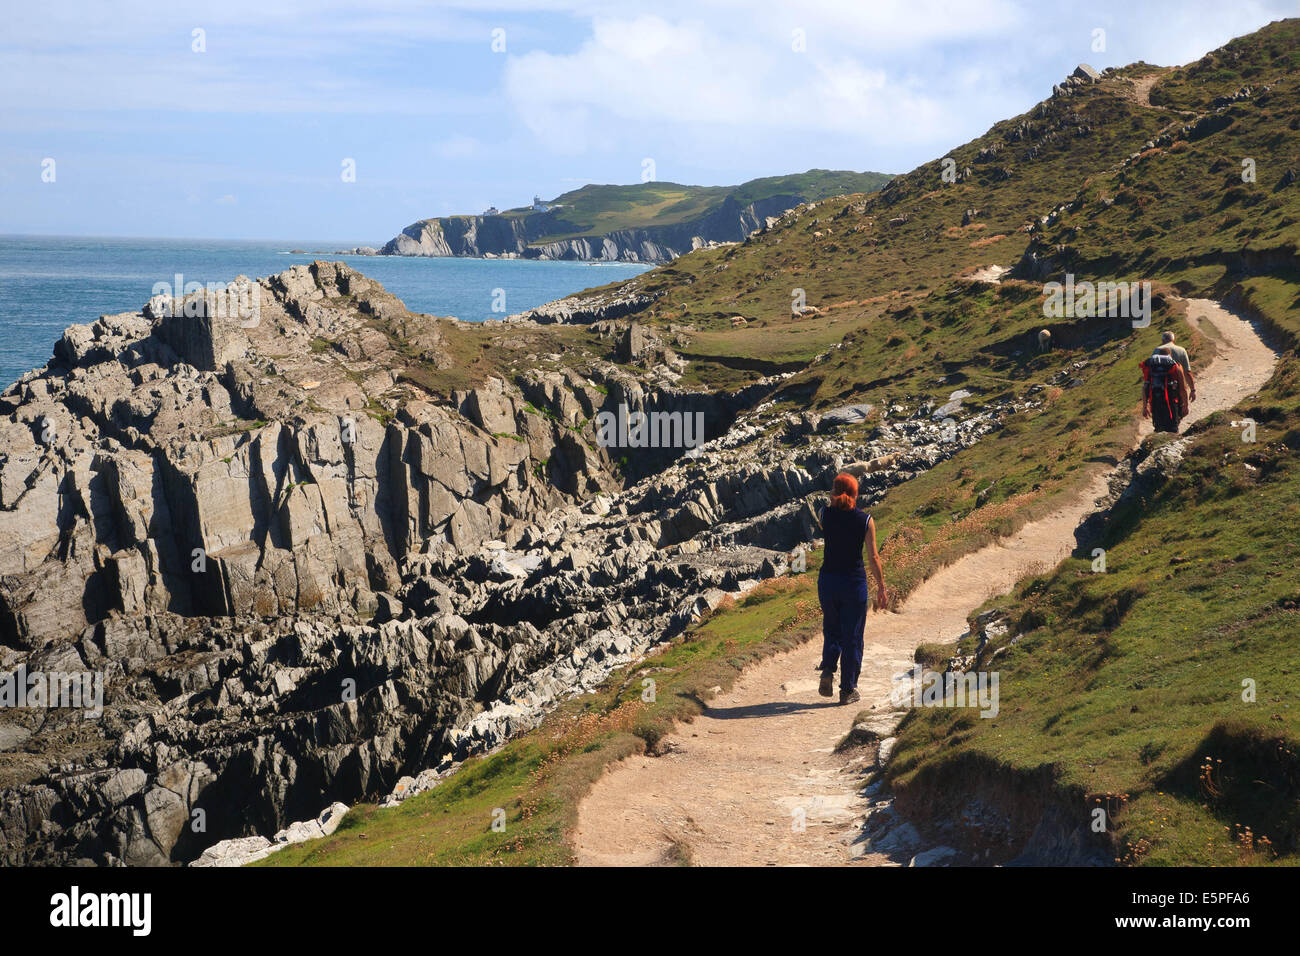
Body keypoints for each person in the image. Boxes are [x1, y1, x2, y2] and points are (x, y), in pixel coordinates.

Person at [816, 473, 889, 705]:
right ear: (856, 493)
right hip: (853, 583)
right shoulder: (865, 520)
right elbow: (873, 556)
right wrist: (881, 586)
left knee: (832, 627)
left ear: (834, 491)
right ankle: (847, 690)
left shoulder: (824, 514)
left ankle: (828, 668)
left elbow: (827, 523)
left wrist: (833, 500)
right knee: (853, 636)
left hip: (828, 581)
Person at [1141, 344, 1190, 433]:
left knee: (1158, 428)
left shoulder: (1151, 367)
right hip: (1172, 402)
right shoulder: (1175, 367)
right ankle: (1171, 445)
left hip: (1155, 402)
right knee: (1172, 429)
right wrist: (1185, 406)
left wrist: (1145, 407)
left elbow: (1145, 388)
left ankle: (1157, 444)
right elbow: (1183, 389)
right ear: (1170, 355)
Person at [1162, 330, 1196, 403]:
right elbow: (1187, 372)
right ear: (1173, 340)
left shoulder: (1157, 350)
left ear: (1162, 341)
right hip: (1178, 387)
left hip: (1160, 388)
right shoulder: (1181, 350)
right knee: (1180, 410)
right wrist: (1192, 390)